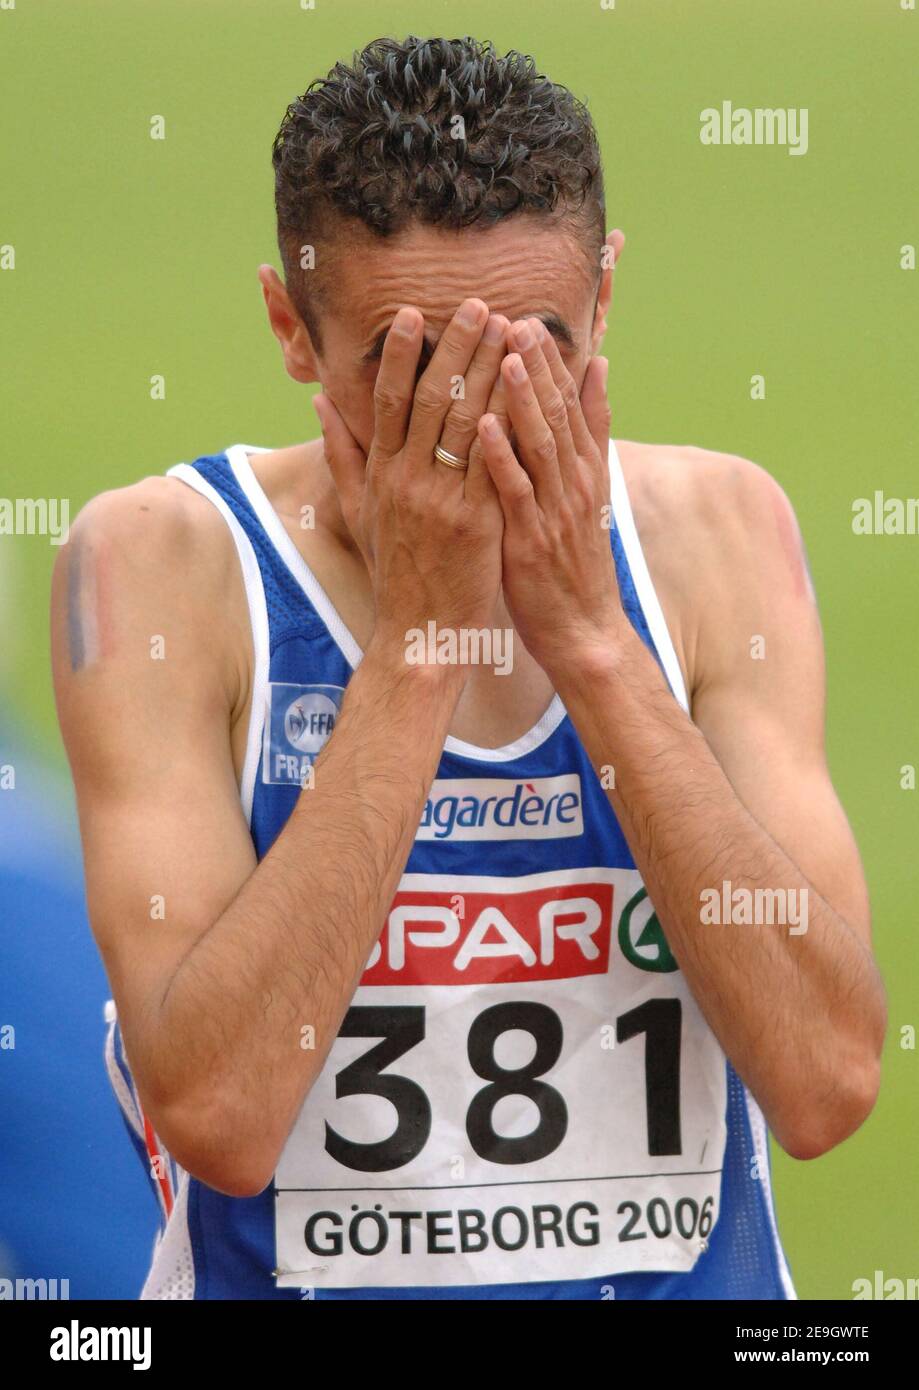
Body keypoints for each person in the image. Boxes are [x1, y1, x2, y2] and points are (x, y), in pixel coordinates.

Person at [51, 35, 886, 1300]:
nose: (475, 411)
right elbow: (220, 1112)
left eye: (533, 348)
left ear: (608, 296)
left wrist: (598, 645)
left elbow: (827, 1082)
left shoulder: (720, 538)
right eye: (408, 361)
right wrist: (418, 644)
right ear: (291, 326)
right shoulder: (162, 566)